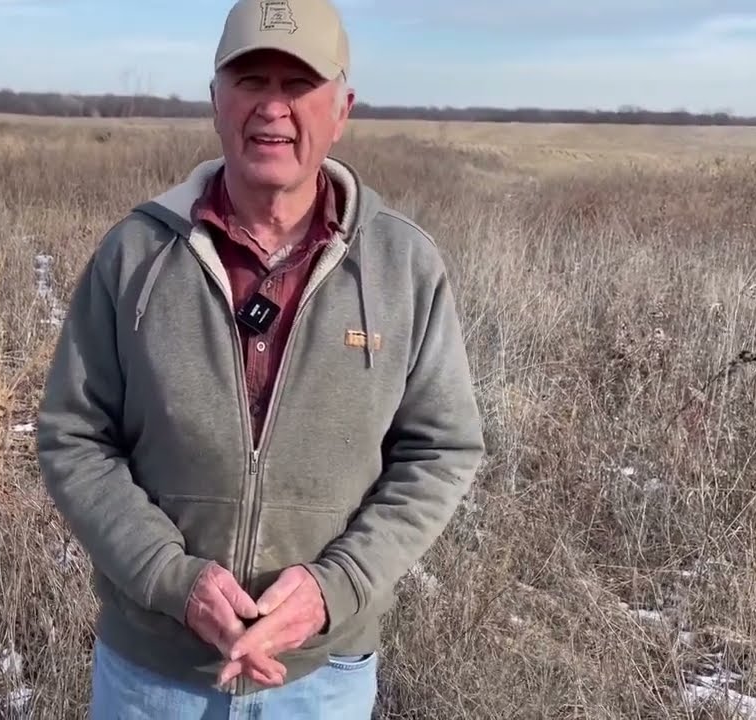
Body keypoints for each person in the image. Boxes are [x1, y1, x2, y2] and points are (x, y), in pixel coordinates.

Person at [36, 0, 486, 716]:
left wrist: (333, 588)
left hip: (321, 678)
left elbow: (442, 450)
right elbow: (74, 436)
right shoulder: (136, 255)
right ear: (216, 100)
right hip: (153, 678)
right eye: (251, 81)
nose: (272, 108)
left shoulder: (403, 265)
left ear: (342, 108)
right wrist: (171, 578)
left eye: (297, 84)